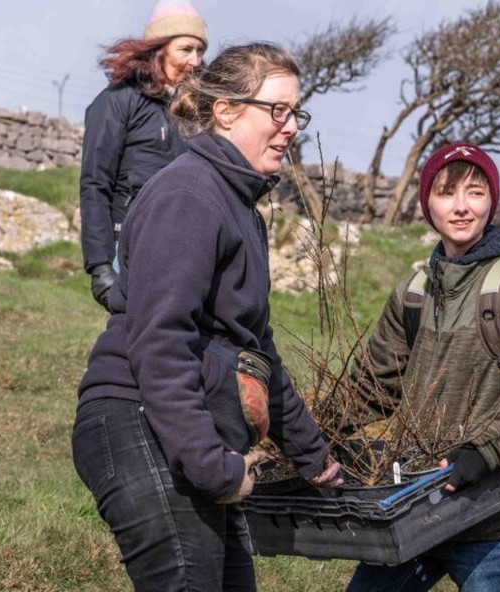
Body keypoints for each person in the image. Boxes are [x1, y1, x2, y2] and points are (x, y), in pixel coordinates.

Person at [71, 42, 343, 592]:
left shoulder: (239, 206)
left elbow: (256, 351)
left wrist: (315, 457)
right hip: (138, 418)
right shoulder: (189, 194)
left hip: (185, 430)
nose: (291, 127)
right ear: (225, 111)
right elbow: (160, 342)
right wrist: (212, 468)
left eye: (297, 113)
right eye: (278, 110)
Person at [336, 142, 500, 592]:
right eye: (446, 193)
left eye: (475, 193)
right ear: (428, 205)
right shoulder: (415, 292)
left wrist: (481, 452)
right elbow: (371, 386)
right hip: (414, 507)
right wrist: (308, 435)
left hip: (489, 517)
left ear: (491, 202)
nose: (461, 207)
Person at [79, 0, 209, 312]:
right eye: (186, 49)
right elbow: (95, 184)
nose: (195, 61)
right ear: (158, 49)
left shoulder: (195, 114)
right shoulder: (119, 100)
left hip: (184, 253)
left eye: (200, 51)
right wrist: (100, 265)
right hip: (130, 249)